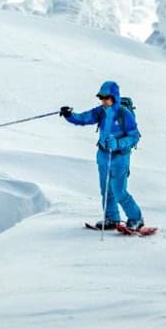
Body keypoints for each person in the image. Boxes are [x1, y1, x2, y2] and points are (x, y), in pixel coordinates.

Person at [61, 80, 144, 231]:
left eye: (106, 97)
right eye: (101, 97)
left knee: (119, 191)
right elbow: (84, 118)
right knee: (106, 189)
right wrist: (69, 115)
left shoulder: (124, 114)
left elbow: (135, 136)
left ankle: (136, 219)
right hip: (103, 155)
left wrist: (118, 144)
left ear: (114, 97)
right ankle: (111, 218)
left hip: (120, 157)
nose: (103, 100)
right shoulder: (101, 111)